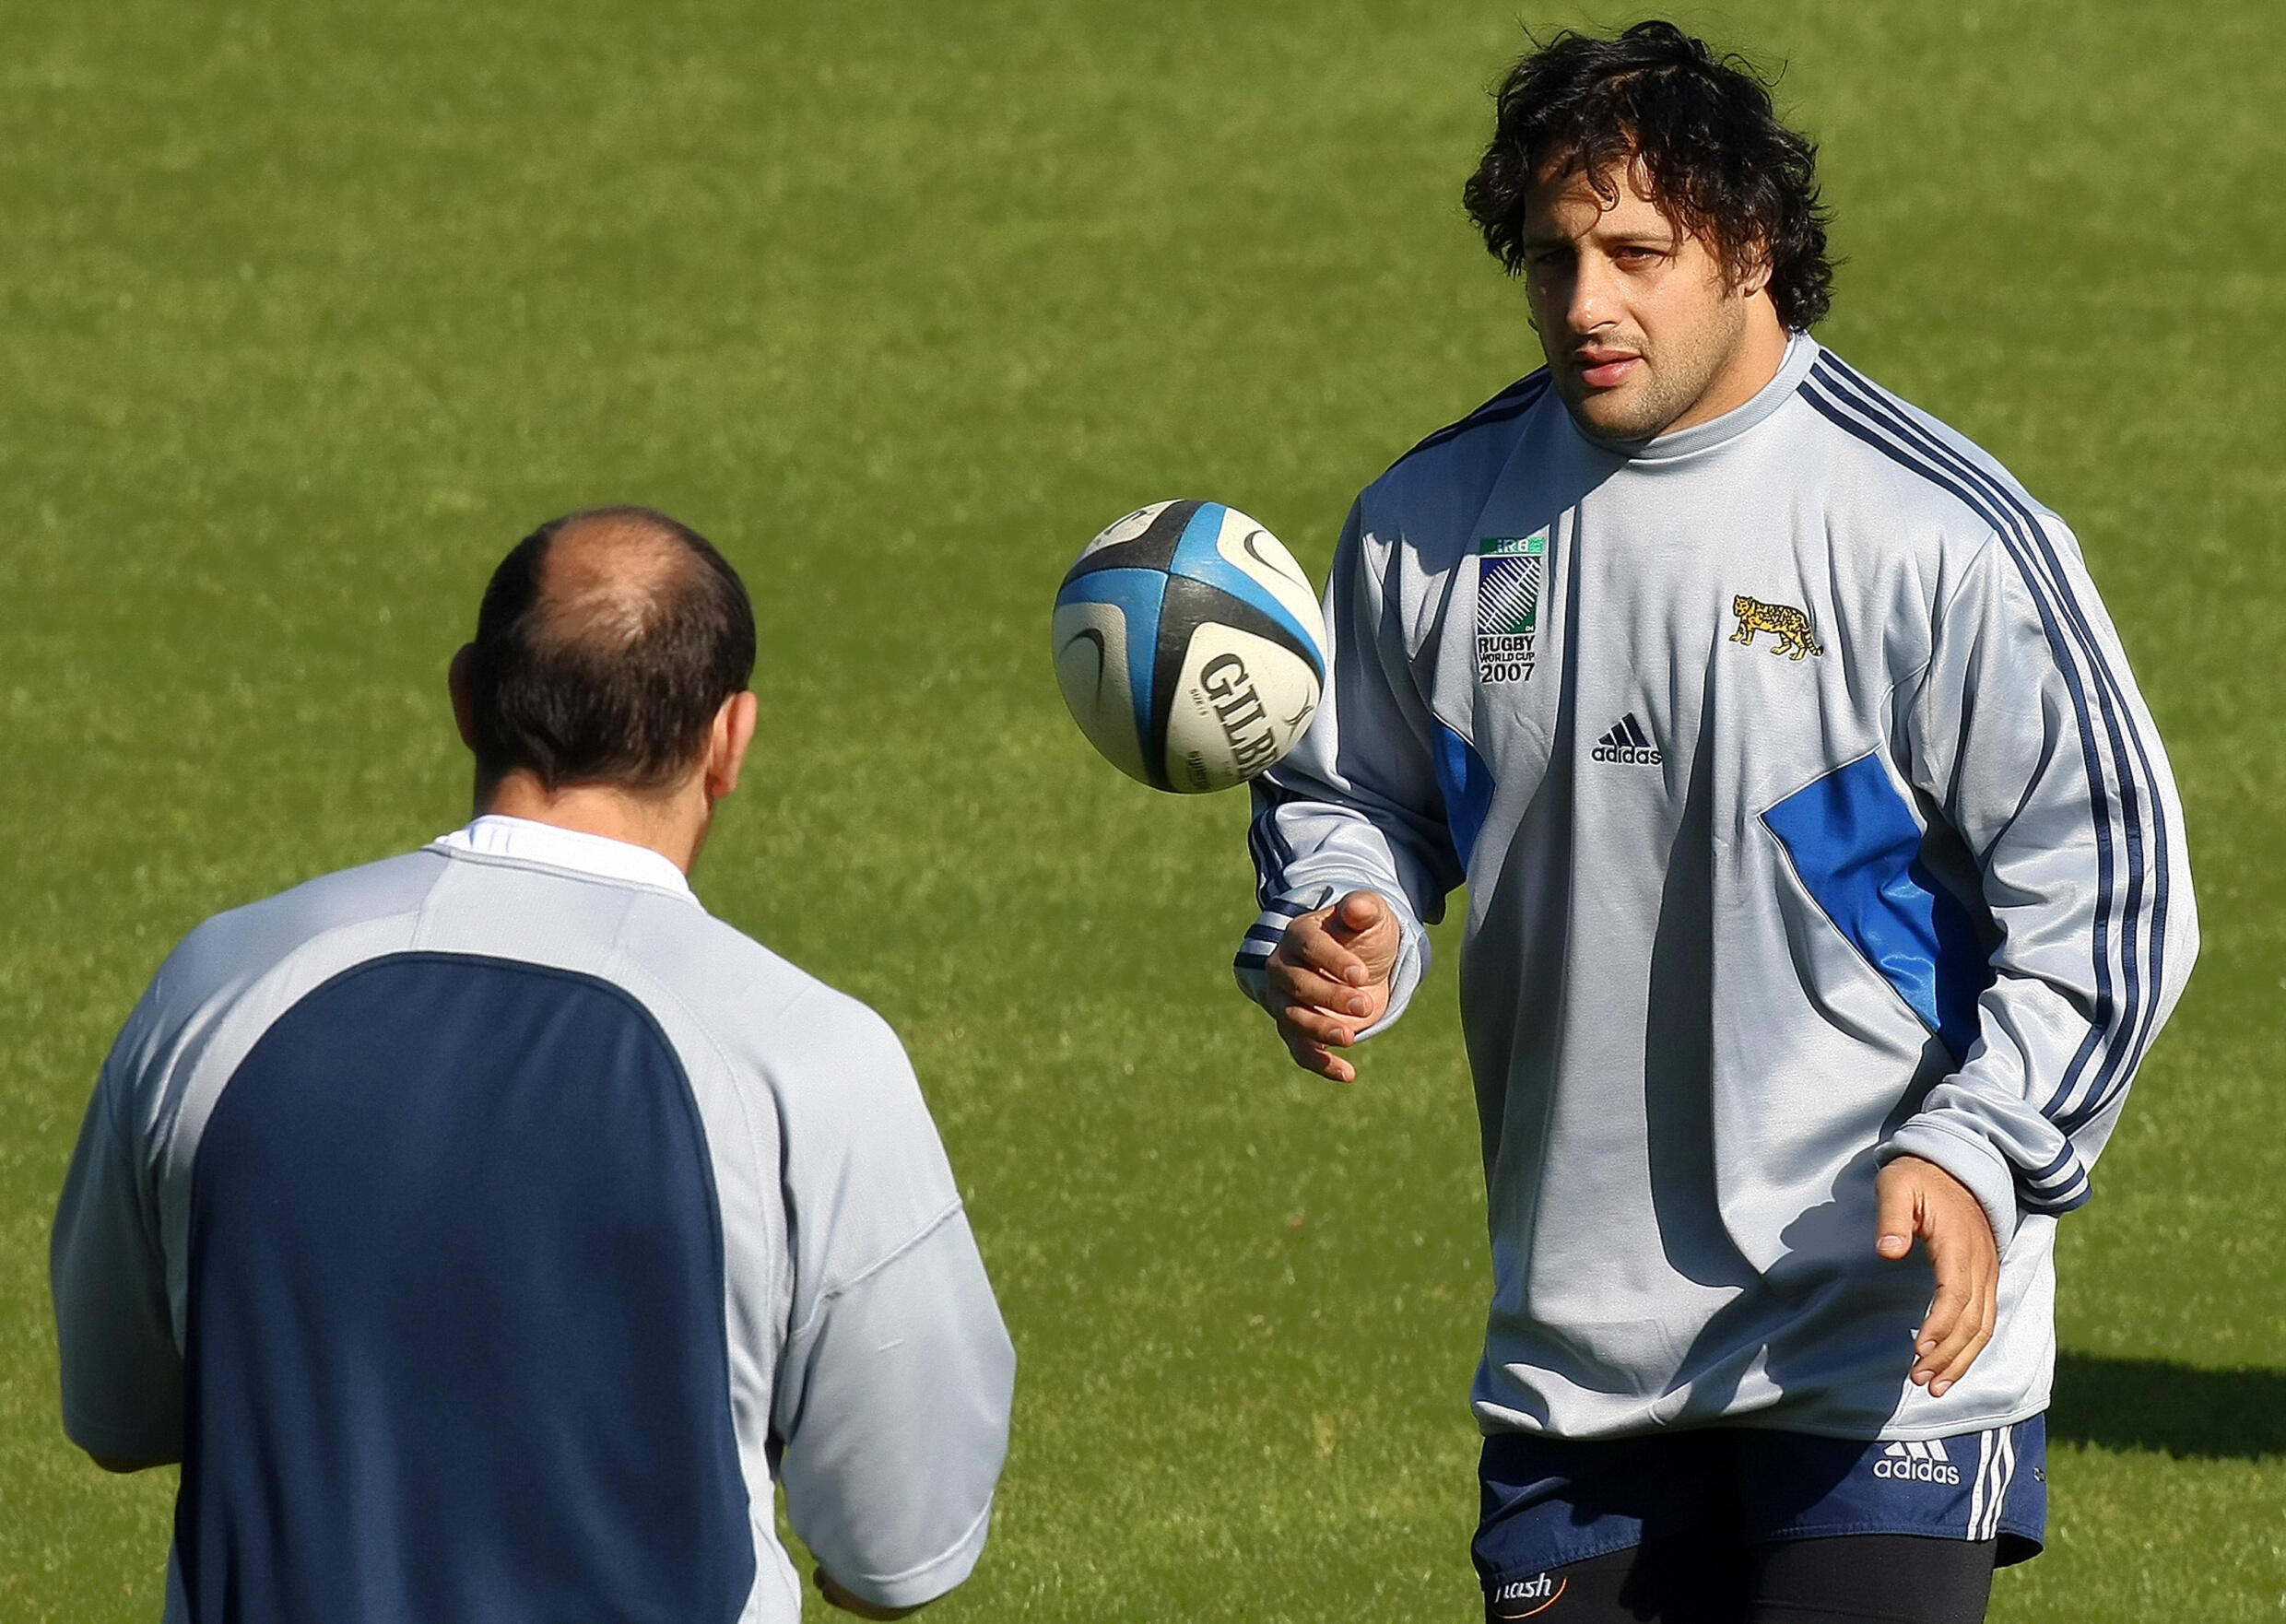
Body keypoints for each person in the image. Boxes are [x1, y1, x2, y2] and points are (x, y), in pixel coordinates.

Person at [1232, 22, 2195, 1624]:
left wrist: (1982, 1142)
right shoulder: (1431, 522)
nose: (1584, 303)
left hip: (1877, 1350)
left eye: (1635, 252)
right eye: (1551, 258)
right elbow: (1353, 797)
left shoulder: (1935, 536)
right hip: (1578, 1358)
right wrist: (1348, 924)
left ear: (1750, 248)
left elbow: (2115, 894)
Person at [52, 506, 1015, 1624]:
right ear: (730, 742)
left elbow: (118, 1418)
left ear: (466, 698)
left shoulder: (216, 986)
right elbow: (897, 1554)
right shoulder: (809, 1057)